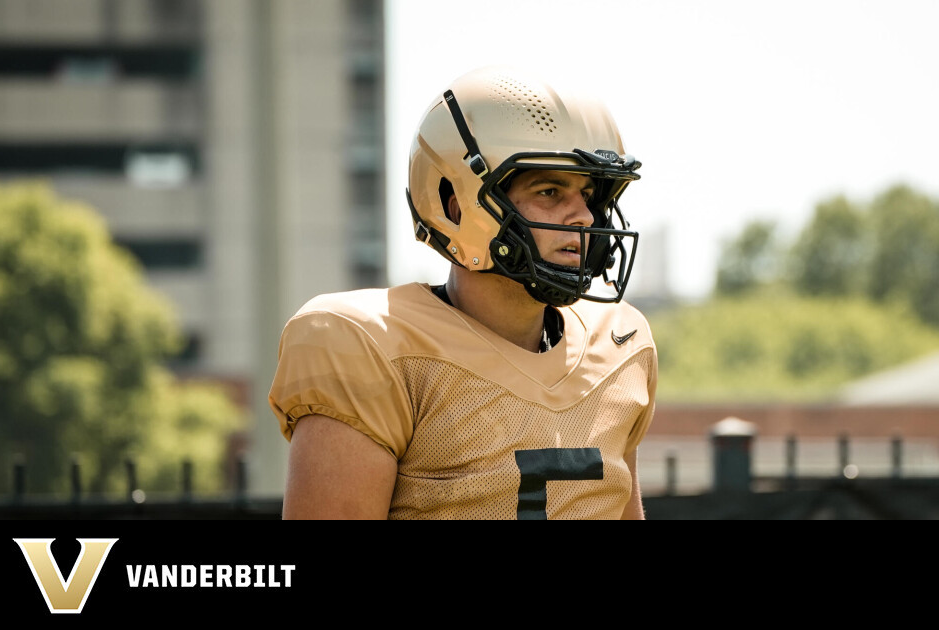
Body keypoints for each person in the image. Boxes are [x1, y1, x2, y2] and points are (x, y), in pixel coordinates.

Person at [268, 65, 657, 520]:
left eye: (588, 194)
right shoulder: (367, 343)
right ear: (456, 204)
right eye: (550, 190)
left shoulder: (621, 344)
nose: (585, 217)